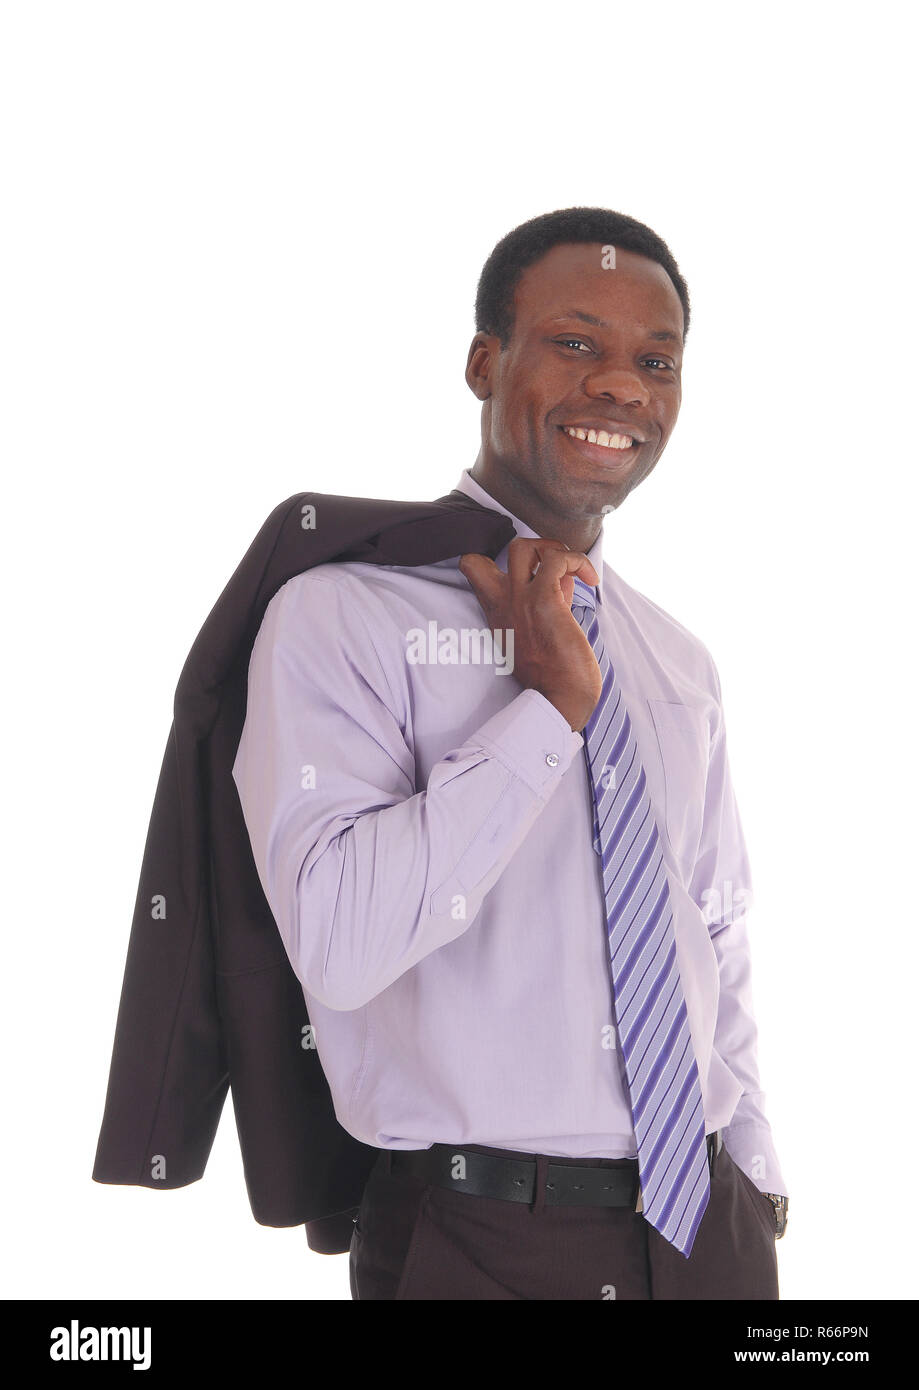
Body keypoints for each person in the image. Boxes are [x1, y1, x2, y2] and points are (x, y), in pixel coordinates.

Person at [230, 206, 788, 1300]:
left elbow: (713, 933)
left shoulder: (677, 660)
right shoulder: (340, 615)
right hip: (485, 1243)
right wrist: (545, 712)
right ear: (486, 361)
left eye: (654, 359)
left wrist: (756, 1180)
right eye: (576, 342)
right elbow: (340, 941)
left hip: (710, 1236)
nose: (622, 386)